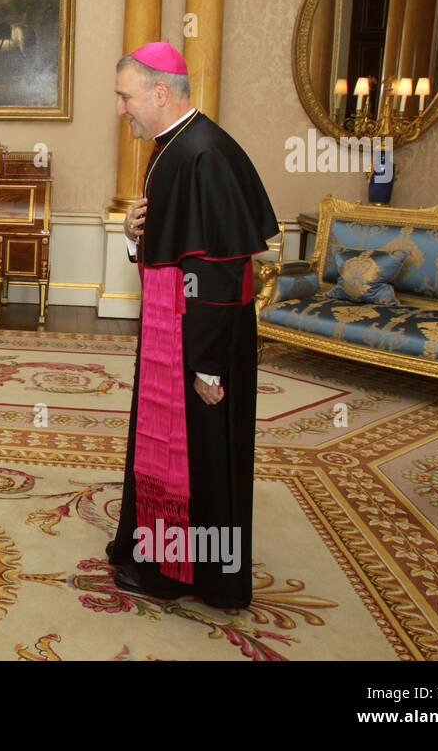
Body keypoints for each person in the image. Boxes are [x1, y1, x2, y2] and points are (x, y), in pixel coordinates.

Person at [106, 41, 279, 609]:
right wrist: (137, 237)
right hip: (171, 331)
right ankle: (150, 547)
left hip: (201, 343)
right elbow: (174, 250)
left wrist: (206, 366)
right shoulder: (172, 146)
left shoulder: (205, 153)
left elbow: (221, 271)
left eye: (126, 96)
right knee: (161, 446)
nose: (121, 108)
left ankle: (194, 575)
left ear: (160, 92)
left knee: (198, 455)